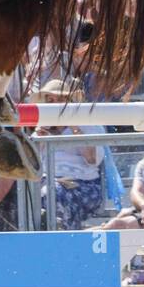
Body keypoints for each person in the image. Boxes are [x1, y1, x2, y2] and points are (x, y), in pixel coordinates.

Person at [33, 79, 104, 230]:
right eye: (51, 101)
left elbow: (92, 160)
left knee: (53, 193)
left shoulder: (88, 124)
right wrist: (39, 141)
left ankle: (62, 236)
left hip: (83, 184)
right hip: (48, 182)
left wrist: (75, 128)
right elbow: (32, 164)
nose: (56, 105)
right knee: (34, 193)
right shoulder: (42, 128)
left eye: (61, 100)